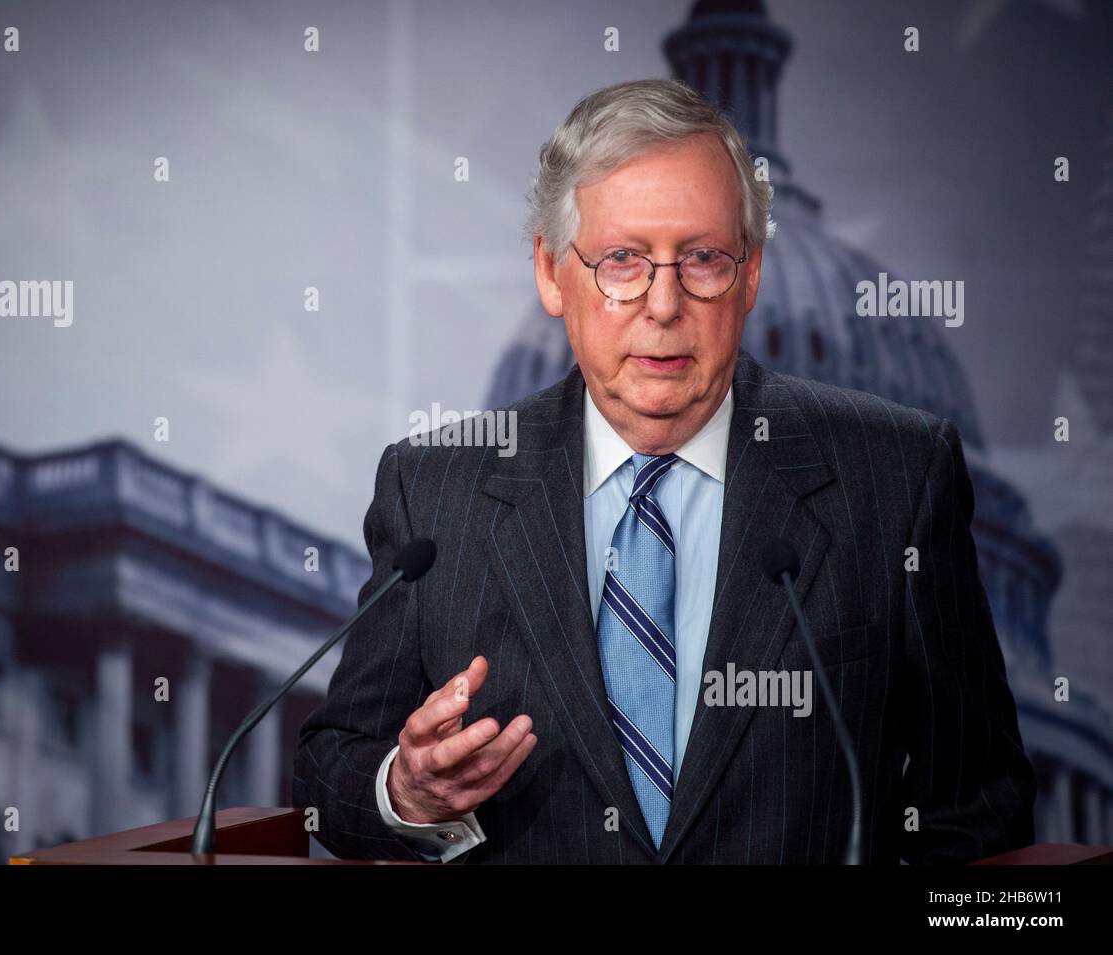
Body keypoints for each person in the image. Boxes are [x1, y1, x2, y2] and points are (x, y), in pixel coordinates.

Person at [291, 78, 1036, 864]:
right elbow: (326, 773)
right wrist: (405, 794)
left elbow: (981, 805)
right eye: (622, 260)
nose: (663, 303)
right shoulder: (433, 492)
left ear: (750, 276)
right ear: (551, 272)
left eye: (704, 259)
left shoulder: (894, 478)